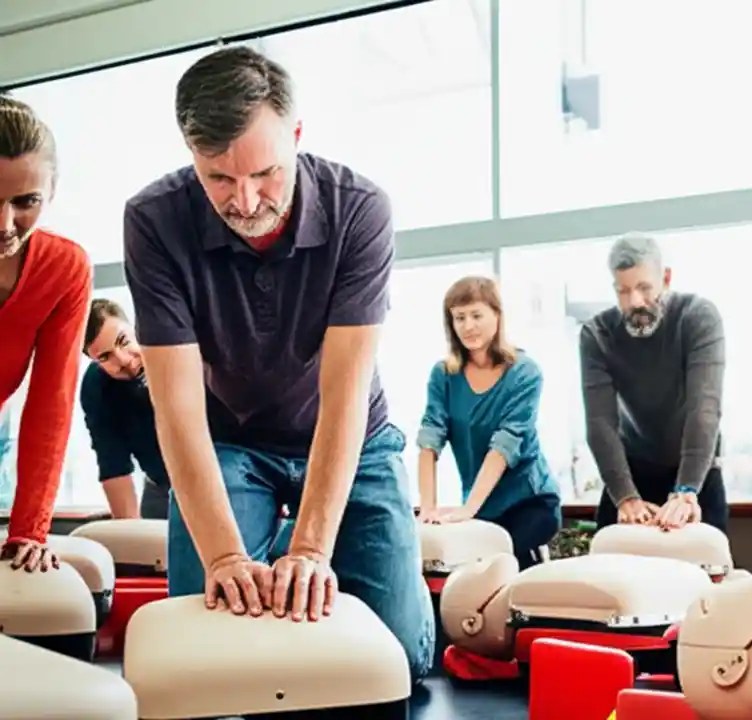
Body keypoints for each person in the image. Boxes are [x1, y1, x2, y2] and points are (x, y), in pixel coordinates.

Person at [121, 46, 432, 680]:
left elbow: (343, 396)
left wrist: (314, 549)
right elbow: (177, 412)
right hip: (231, 439)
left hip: (353, 436)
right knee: (204, 635)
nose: (244, 200)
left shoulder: (359, 210)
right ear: (190, 153)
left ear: (296, 135)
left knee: (400, 654)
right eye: (218, 177)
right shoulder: (153, 220)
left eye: (265, 172)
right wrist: (227, 560)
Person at [580, 233, 728, 532]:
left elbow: (704, 409)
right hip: (632, 468)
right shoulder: (597, 334)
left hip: (695, 468)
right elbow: (600, 423)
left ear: (666, 278)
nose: (635, 301)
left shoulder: (698, 318)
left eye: (644, 287)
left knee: (705, 569)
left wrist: (687, 491)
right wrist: (625, 497)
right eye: (623, 291)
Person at [0, 96, 92, 573]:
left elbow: (50, 402)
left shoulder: (65, 268)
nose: (5, 225)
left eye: (25, 202)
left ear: (50, 191)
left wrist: (29, 529)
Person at [416, 276, 562, 570]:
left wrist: (468, 510)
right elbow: (430, 439)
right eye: (459, 317)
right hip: (483, 507)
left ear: (497, 315)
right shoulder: (444, 375)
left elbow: (504, 446)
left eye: (476, 315)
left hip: (529, 502)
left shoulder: (524, 372)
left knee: (501, 567)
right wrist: (428, 509)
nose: (468, 326)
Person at [80, 299, 170, 520]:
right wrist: (130, 535)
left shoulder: (174, 349)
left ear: (135, 327)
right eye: (104, 356)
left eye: (123, 341)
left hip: (225, 475)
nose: (124, 361)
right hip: (161, 486)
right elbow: (113, 464)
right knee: (140, 548)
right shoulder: (97, 386)